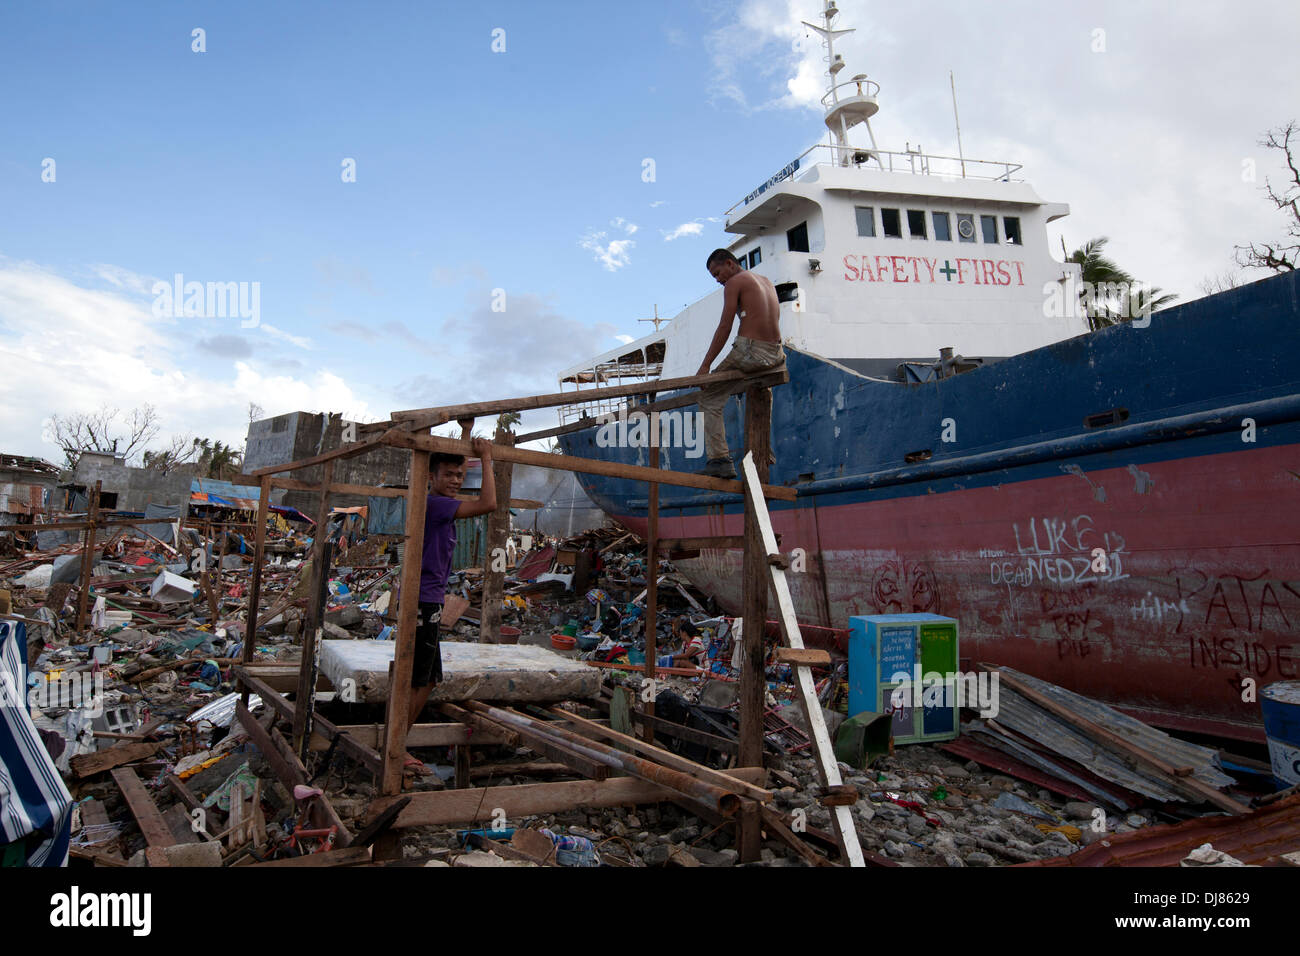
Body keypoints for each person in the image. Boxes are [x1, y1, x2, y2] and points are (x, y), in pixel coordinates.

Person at [403, 418, 497, 775]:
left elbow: (453, 463)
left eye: (460, 476)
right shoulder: (437, 504)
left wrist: (467, 436)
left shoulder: (439, 501)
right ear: (431, 476)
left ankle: (399, 738)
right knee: (417, 678)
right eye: (449, 476)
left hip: (428, 599)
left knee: (427, 678)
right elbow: (488, 503)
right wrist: (487, 458)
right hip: (424, 600)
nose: (456, 481)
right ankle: (396, 745)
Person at [695, 248, 786, 478]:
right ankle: (763, 449)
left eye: (717, 273)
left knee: (709, 397)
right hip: (775, 353)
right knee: (760, 386)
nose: (718, 280)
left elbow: (725, 326)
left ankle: (720, 460)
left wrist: (706, 366)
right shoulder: (766, 281)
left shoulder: (734, 283)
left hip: (751, 350)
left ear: (730, 263)